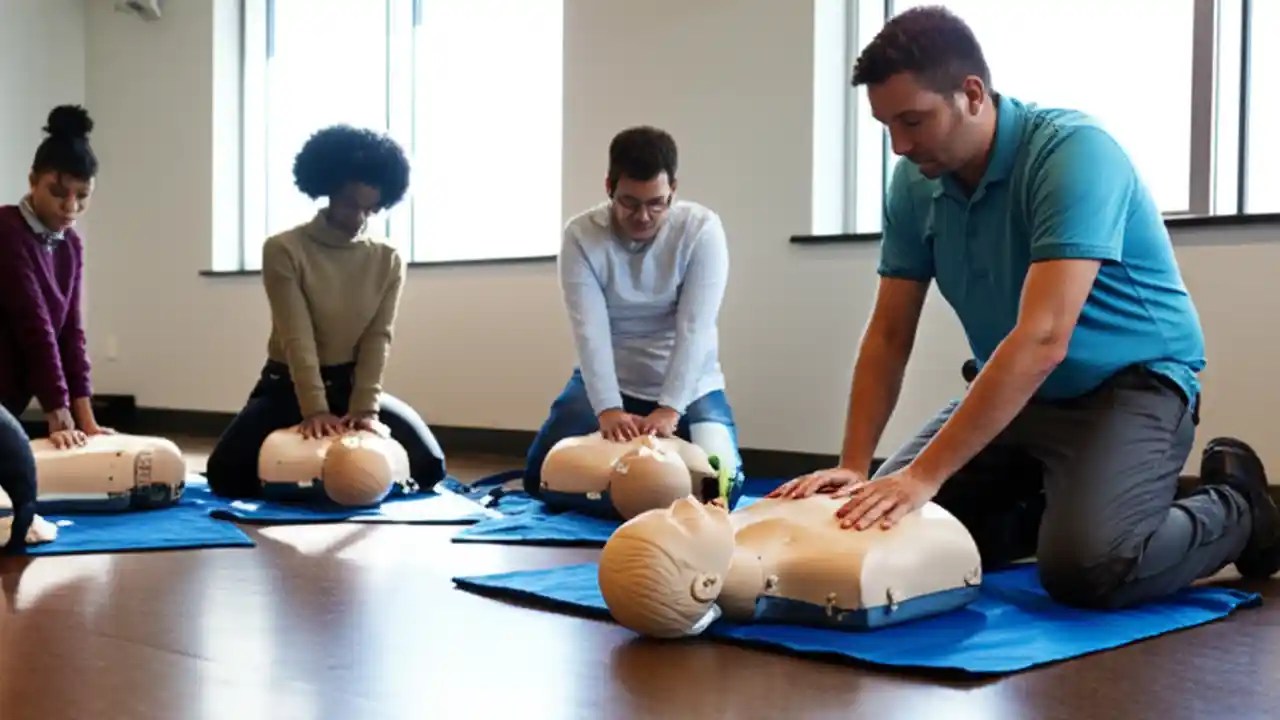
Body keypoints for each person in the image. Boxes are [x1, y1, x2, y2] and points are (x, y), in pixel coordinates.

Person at [770, 6, 1279, 609]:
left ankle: (1240, 507)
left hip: (1129, 388)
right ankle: (1056, 504)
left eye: (913, 120)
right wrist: (856, 467)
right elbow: (888, 335)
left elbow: (1042, 338)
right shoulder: (914, 184)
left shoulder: (1073, 153)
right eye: (886, 126)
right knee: (884, 530)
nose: (900, 146)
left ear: (972, 93)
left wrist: (924, 476)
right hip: (1018, 397)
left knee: (1088, 569)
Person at [205, 125, 447, 498]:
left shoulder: (388, 259)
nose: (359, 217)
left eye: (371, 208)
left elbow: (377, 337)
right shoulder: (284, 249)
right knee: (226, 475)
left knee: (430, 466)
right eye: (351, 204)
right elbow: (296, 336)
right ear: (328, 190)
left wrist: (366, 409)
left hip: (351, 386)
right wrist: (315, 410)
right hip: (287, 384)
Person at [523, 126, 742, 500]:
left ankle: (628, 496)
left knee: (723, 488)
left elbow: (695, 328)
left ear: (674, 188)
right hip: (613, 381)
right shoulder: (581, 236)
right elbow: (590, 332)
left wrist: (670, 409)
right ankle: (635, 498)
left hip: (692, 387)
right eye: (629, 202)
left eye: (657, 203)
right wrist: (608, 408)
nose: (643, 216)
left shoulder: (701, 229)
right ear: (609, 186)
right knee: (538, 479)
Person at [0, 105, 114, 451]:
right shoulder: (6, 230)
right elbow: (33, 324)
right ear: (32, 180)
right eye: (57, 192)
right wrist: (58, 412)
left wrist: (87, 420)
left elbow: (69, 332)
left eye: (82, 196)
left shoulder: (70, 244)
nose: (70, 207)